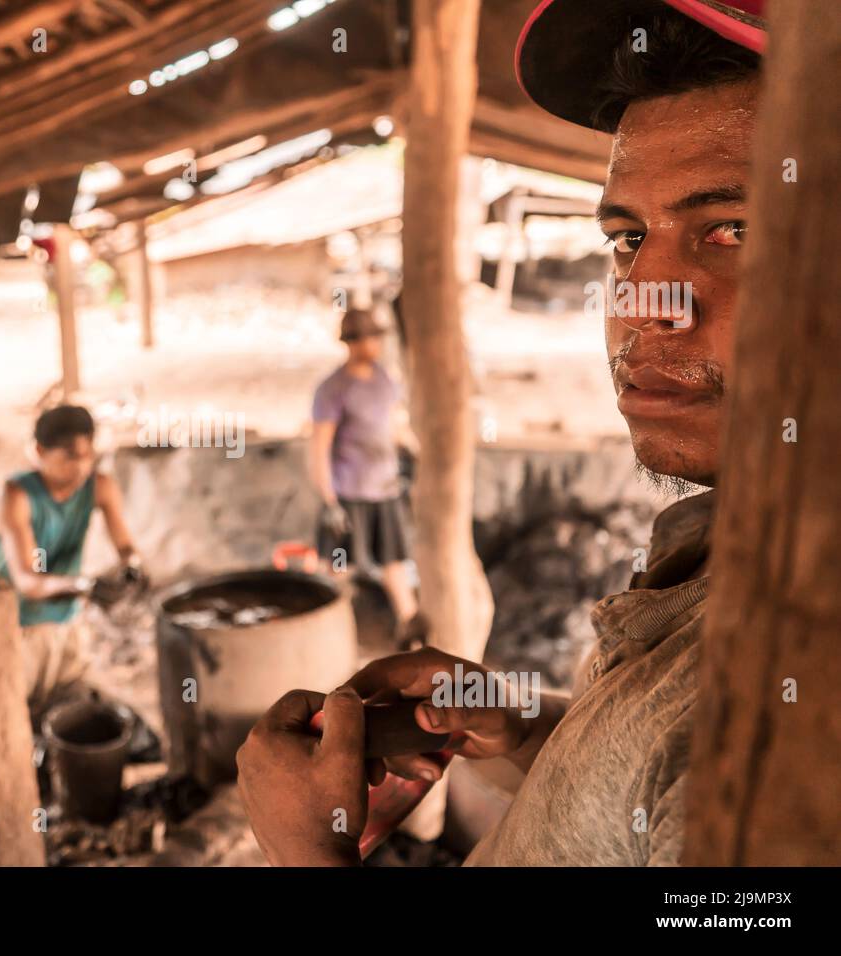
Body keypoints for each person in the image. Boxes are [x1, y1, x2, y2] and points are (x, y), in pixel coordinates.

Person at [238, 0, 765, 865]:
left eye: (732, 230)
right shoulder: (749, 539)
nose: (640, 303)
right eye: (628, 239)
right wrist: (529, 728)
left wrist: (309, 855)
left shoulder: (799, 707)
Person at [0, 405, 143, 716]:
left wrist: (133, 568)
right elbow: (28, 582)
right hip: (17, 626)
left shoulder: (99, 487)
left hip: (65, 621)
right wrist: (84, 585)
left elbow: (126, 546)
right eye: (70, 456)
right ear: (40, 451)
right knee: (15, 713)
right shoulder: (17, 496)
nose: (82, 466)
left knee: (67, 710)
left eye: (88, 455)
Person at [309, 307, 420, 641]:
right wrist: (329, 501)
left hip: (384, 490)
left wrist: (415, 452)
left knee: (395, 566)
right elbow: (319, 448)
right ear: (351, 343)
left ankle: (413, 636)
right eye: (365, 338)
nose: (373, 345)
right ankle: (328, 637)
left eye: (376, 337)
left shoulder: (385, 380)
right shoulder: (333, 389)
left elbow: (395, 426)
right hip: (349, 493)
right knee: (338, 569)